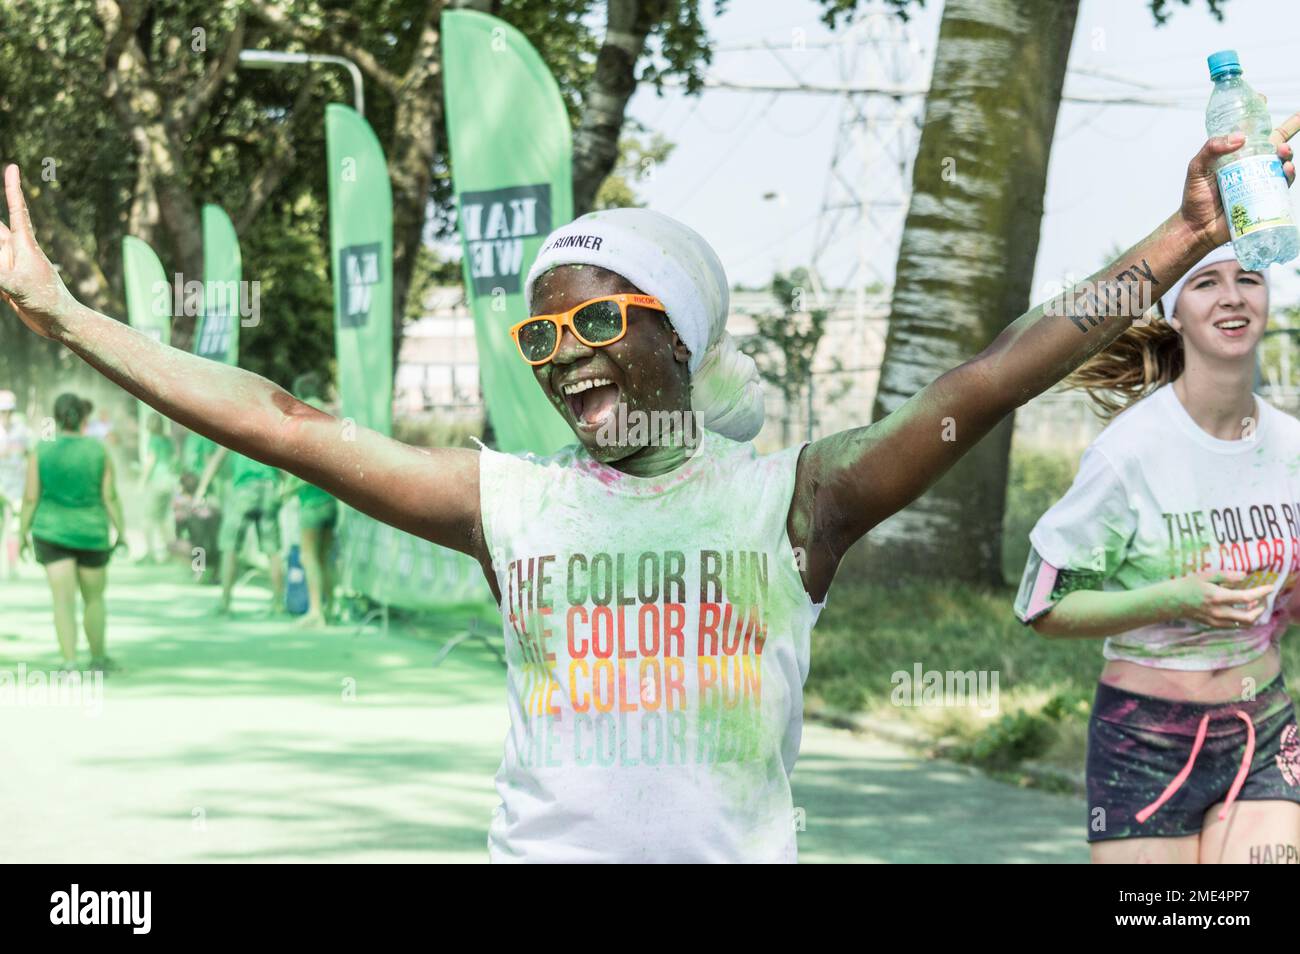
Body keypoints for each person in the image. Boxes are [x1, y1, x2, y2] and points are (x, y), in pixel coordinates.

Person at [1, 117, 1296, 860]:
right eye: (540, 338)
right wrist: (65, 317)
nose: (570, 359)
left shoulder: (799, 502)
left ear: (678, 332)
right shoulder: (504, 504)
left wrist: (1181, 239)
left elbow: (996, 371)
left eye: (601, 321)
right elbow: (281, 421)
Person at [1014, 242, 1300, 864]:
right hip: (1146, 741)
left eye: (1248, 279)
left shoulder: (1291, 448)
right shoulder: (1131, 453)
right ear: (1175, 312)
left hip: (1264, 726)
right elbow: (1040, 607)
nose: (1232, 296)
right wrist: (1175, 599)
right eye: (1205, 284)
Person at [17, 393, 125, 673]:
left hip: (51, 533)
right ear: (83, 418)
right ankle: (99, 660)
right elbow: (110, 496)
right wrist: (121, 531)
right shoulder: (97, 449)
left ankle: (69, 664)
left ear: (56, 417)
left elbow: (30, 497)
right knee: (94, 599)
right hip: (91, 533)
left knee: (62, 601)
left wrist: (21, 534)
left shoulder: (42, 449)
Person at [195, 445, 284, 617]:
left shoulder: (239, 422)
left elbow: (218, 457)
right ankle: (278, 603)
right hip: (269, 486)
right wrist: (284, 484)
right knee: (273, 549)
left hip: (244, 488)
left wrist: (203, 487)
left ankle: (225, 602)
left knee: (230, 546)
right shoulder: (271, 421)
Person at [280, 372, 338, 628]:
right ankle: (332, 607)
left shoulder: (304, 419)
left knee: (308, 557)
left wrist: (288, 490)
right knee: (325, 558)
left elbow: (305, 465)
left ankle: (316, 612)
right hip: (331, 501)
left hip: (311, 502)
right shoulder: (332, 419)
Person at [136, 412, 177, 564]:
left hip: (158, 482)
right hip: (169, 482)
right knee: (162, 519)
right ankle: (169, 552)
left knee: (147, 518)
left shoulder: (153, 440)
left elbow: (151, 462)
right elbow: (173, 460)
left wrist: (141, 482)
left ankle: (150, 553)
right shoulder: (168, 440)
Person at [0, 388, 29, 578]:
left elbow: (31, 452)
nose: (6, 415)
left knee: (14, 528)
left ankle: (12, 566)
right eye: (3, 411)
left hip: (16, 485)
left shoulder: (22, 430)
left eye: (9, 411)